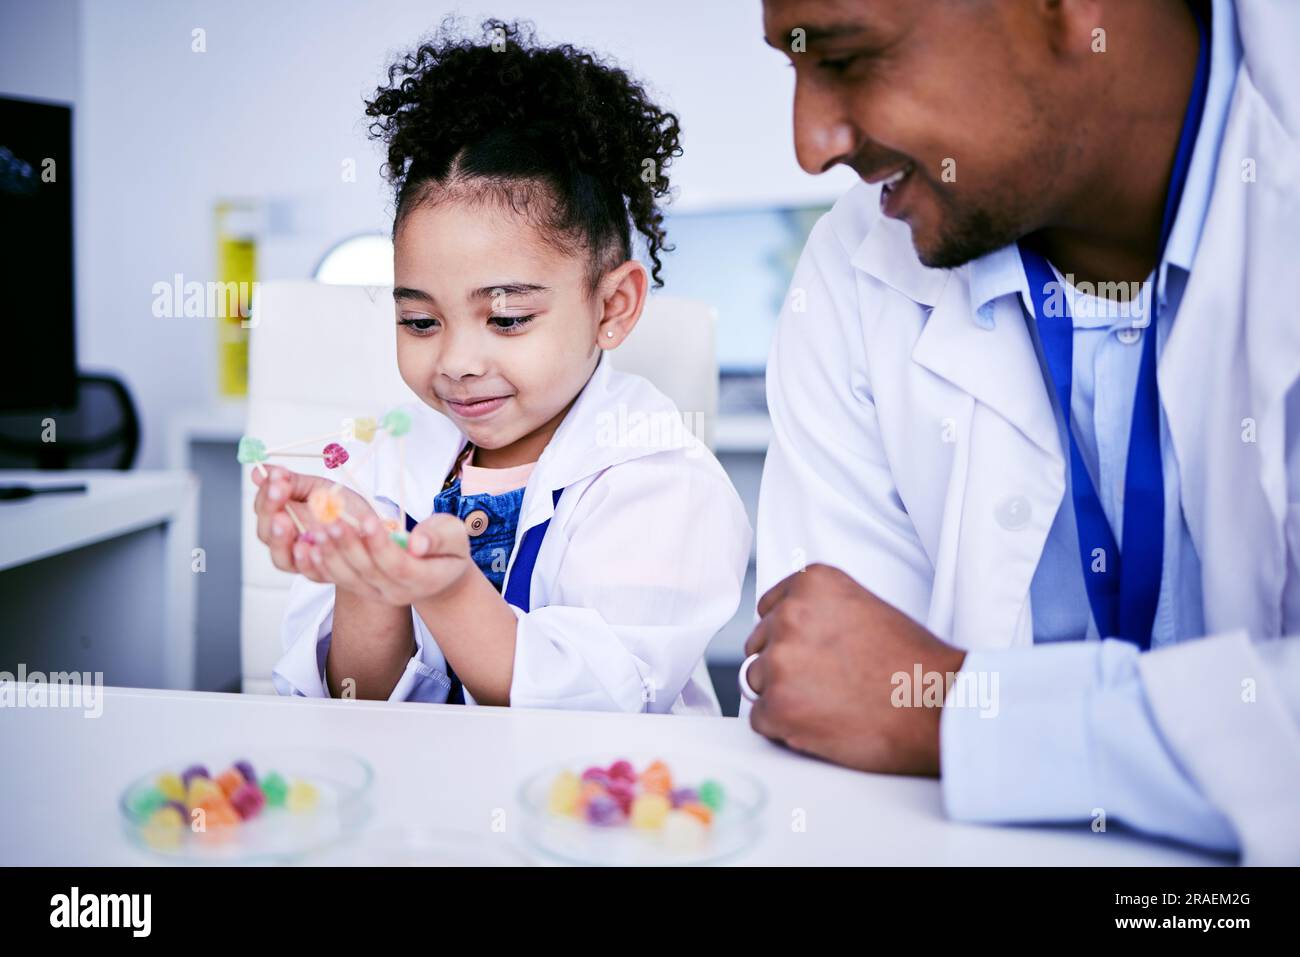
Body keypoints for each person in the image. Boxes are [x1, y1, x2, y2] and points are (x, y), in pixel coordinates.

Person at [744, 0, 1300, 863]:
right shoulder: (855, 269)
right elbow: (829, 707)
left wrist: (955, 710)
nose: (811, 143)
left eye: (849, 58)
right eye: (794, 64)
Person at [253, 19, 750, 713]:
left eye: (508, 318)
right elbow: (352, 705)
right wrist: (367, 578)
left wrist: (444, 586)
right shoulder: (385, 464)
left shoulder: (660, 480)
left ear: (613, 304)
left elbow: (595, 711)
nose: (455, 362)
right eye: (420, 322)